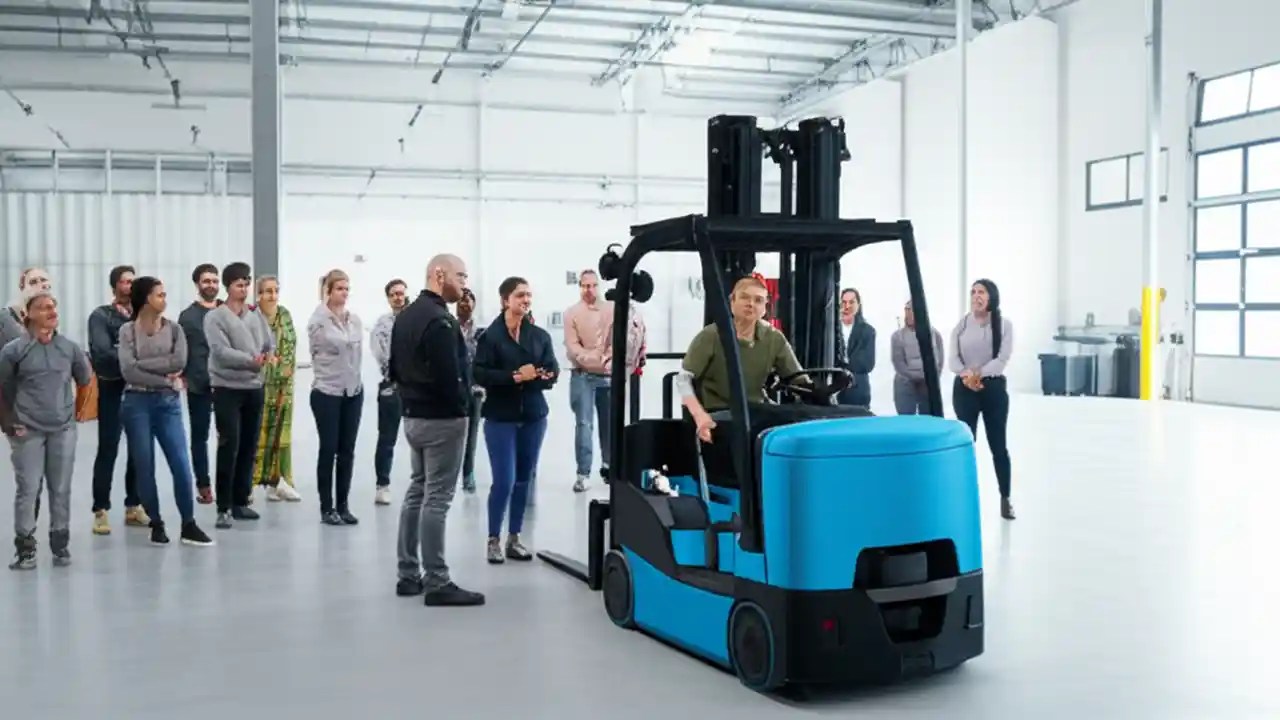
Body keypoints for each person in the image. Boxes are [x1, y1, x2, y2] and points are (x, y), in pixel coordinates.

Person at [389, 253, 484, 606]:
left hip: (412, 415)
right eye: (460, 275)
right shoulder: (440, 322)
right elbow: (451, 377)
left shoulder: (406, 316)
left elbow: (393, 366)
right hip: (442, 420)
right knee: (437, 498)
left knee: (418, 490)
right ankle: (438, 580)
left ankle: (407, 575)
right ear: (438, 274)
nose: (464, 283)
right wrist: (463, 406)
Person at [117, 276, 215, 547]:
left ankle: (188, 523)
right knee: (144, 465)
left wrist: (145, 365)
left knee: (181, 465)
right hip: (136, 403)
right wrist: (165, 379)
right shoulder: (127, 331)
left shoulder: (174, 330)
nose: (164, 299)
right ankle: (156, 522)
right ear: (146, 299)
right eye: (159, 295)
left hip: (168, 405)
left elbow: (179, 360)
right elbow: (127, 369)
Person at [0, 292, 92, 569]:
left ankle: (59, 544)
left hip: (63, 429)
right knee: (28, 488)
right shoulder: (14, 350)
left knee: (60, 488)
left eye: (53, 306)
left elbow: (85, 379)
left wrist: (78, 412)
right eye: (43, 307)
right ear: (28, 316)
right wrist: (8, 423)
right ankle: (26, 548)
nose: (51, 310)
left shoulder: (69, 347)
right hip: (26, 429)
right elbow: (2, 389)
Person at [474, 277, 558, 564]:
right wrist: (515, 377)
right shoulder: (489, 337)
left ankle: (515, 538)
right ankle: (493, 539)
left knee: (524, 479)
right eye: (520, 295)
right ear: (505, 300)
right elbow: (480, 374)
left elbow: (552, 369)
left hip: (534, 415)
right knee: (504, 480)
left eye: (528, 295)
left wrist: (545, 375)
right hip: (501, 417)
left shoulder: (540, 336)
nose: (525, 300)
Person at [675, 275, 805, 444]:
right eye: (744, 297)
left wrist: (817, 395)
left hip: (757, 411)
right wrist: (700, 416)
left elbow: (798, 378)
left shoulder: (774, 338)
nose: (751, 304)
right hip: (720, 413)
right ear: (732, 301)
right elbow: (683, 379)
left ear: (765, 308)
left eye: (758, 300)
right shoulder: (711, 336)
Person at [204, 261, 276, 530]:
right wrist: (251, 360)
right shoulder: (215, 317)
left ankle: (240, 500)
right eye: (238, 285)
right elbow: (220, 352)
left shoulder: (255, 315)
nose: (243, 289)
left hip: (253, 388)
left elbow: (269, 342)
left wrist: (267, 355)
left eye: (246, 284)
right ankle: (223, 507)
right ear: (228, 287)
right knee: (229, 444)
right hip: (227, 389)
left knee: (249, 444)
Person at [949, 278, 1015, 521]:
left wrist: (979, 375)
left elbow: (1002, 358)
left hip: (993, 389)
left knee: (998, 445)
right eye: (973, 292)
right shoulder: (962, 325)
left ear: (991, 298)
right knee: (967, 444)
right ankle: (963, 499)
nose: (976, 296)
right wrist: (967, 376)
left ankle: (1005, 498)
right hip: (965, 388)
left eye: (981, 292)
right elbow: (953, 360)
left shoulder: (1004, 325)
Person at [87, 264, 146, 535]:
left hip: (140, 391)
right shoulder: (101, 316)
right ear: (115, 287)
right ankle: (100, 510)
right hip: (112, 390)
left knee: (138, 450)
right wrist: (136, 357)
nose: (130, 286)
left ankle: (134, 505)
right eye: (125, 282)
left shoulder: (144, 316)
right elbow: (102, 354)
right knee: (108, 449)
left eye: (133, 282)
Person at [308, 269, 364, 526]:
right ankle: (326, 507)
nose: (344, 293)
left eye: (347, 288)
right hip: (327, 392)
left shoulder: (354, 320)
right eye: (339, 288)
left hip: (352, 391)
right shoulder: (318, 321)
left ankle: (343, 504)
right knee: (328, 449)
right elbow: (327, 348)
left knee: (347, 451)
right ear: (328, 291)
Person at [252, 275, 301, 503]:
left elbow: (290, 346)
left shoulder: (285, 315)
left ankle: (279, 482)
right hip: (257, 385)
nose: (272, 296)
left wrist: (281, 369)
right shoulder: (252, 317)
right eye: (268, 291)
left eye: (275, 291)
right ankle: (249, 483)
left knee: (281, 435)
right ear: (258, 294)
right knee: (257, 435)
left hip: (283, 386)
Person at [563, 269, 612, 493]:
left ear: (598, 286)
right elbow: (573, 347)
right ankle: (583, 473)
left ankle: (610, 467)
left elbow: (617, 341)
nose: (589, 290)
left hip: (608, 375)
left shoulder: (611, 310)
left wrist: (603, 361)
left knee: (609, 424)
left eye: (593, 285)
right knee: (584, 424)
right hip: (582, 375)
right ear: (580, 287)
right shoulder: (571, 313)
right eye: (585, 286)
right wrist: (593, 359)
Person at [178, 263, 221, 505]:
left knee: (229, 437)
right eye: (206, 281)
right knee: (200, 437)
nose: (211, 285)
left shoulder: (228, 312)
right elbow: (183, 350)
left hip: (227, 384)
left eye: (214, 281)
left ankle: (232, 484)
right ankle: (203, 485)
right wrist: (183, 375)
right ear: (197, 284)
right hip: (199, 385)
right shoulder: (188, 317)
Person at [370, 278, 409, 506]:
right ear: (388, 298)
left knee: (419, 435)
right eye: (394, 294)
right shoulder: (382, 325)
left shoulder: (415, 321)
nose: (398, 297)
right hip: (391, 385)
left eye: (401, 293)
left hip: (414, 387)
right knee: (387, 437)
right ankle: (382, 484)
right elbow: (382, 355)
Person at [891, 299, 944, 415]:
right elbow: (899, 364)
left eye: (912, 310)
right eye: (907, 310)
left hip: (927, 383)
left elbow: (939, 362)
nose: (908, 313)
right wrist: (917, 376)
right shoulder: (897, 336)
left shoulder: (935, 335)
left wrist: (929, 377)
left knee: (928, 419)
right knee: (906, 421)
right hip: (905, 383)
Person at [457, 288, 485, 494]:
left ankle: (468, 474)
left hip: (474, 390)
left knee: (472, 435)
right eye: (461, 301)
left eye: (469, 300)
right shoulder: (447, 327)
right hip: (453, 389)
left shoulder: (481, 333)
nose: (464, 304)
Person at [837, 287, 876, 407]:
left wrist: (842, 363)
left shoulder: (868, 331)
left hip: (858, 392)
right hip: (836, 390)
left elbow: (867, 364)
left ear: (858, 305)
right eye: (844, 302)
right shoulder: (832, 330)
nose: (847, 306)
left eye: (851, 302)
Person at [0, 267, 52, 347]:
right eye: (33, 282)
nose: (40, 286)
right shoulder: (4, 319)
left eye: (43, 280)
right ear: (22, 289)